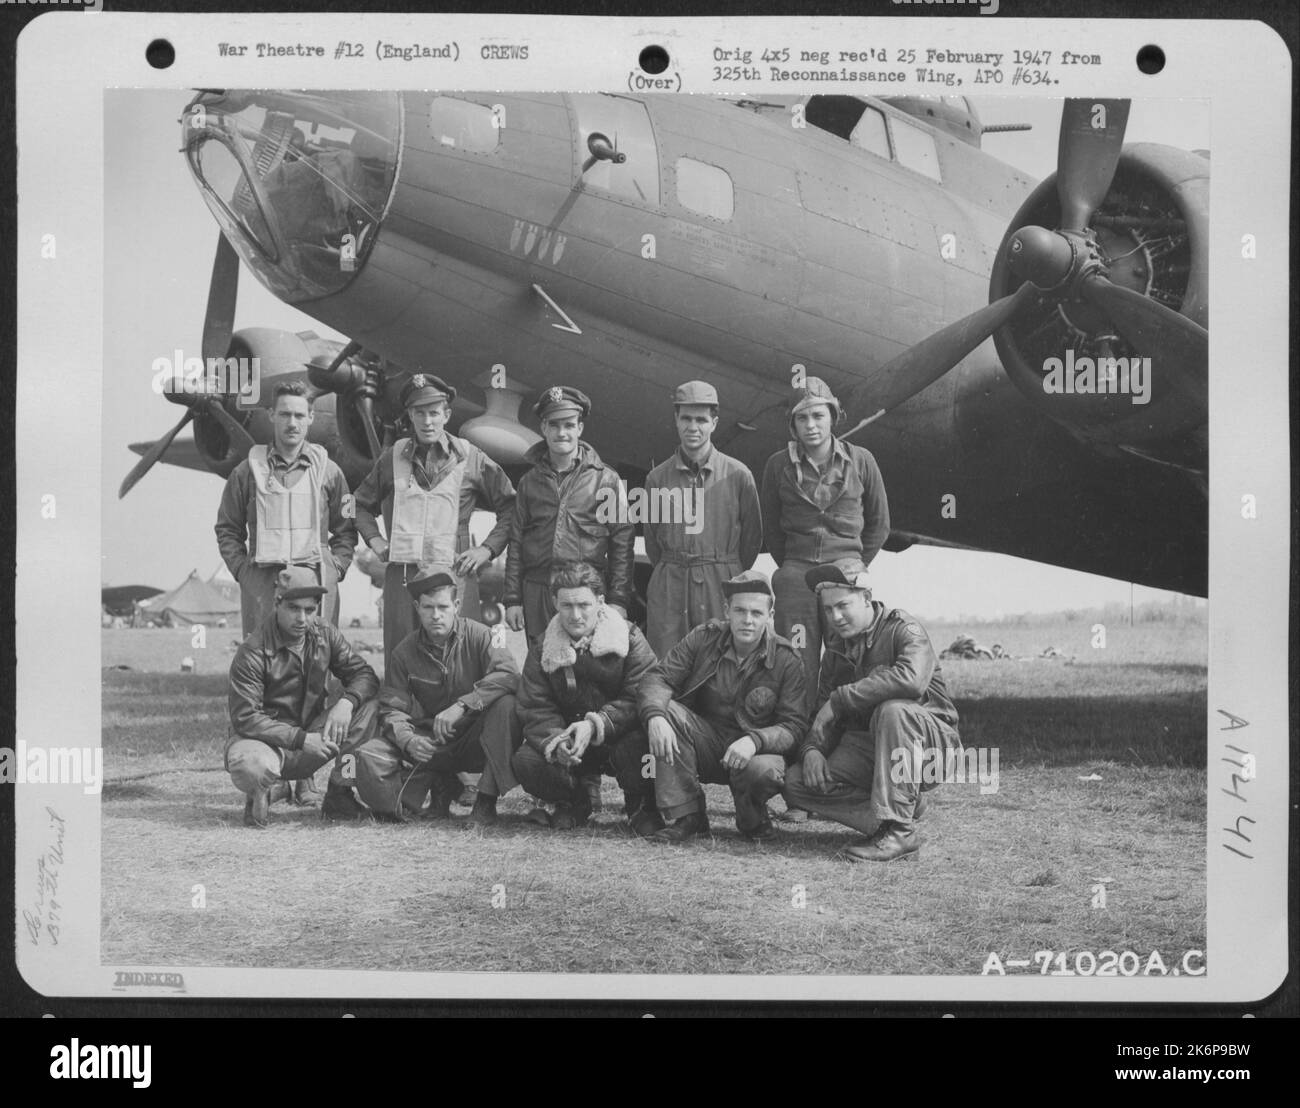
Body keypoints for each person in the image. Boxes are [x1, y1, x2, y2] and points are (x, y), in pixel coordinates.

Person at [783, 558, 960, 862]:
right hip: (875, 749)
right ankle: (898, 810)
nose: (835, 616)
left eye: (843, 605)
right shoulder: (837, 650)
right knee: (796, 782)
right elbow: (822, 714)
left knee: (894, 711)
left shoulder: (904, 628)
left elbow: (912, 681)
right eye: (828, 610)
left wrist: (842, 698)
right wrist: (812, 750)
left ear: (866, 597)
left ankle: (900, 831)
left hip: (931, 749)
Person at [353, 372, 516, 664]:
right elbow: (358, 506)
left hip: (457, 577)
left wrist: (487, 549)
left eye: (433, 413)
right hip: (402, 578)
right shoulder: (391, 459)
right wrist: (376, 542)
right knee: (401, 658)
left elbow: (511, 507)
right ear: (410, 415)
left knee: (460, 659)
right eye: (419, 413)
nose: (427, 421)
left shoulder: (472, 458)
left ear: (446, 414)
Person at [637, 570, 807, 843]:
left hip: (755, 753)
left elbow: (794, 726)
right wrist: (655, 716)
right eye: (740, 611)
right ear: (727, 610)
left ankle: (752, 817)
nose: (748, 620)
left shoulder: (787, 659)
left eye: (756, 613)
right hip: (707, 743)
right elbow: (658, 678)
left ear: (770, 616)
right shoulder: (704, 638)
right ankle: (689, 816)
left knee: (762, 771)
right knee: (666, 710)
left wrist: (754, 740)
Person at [759, 377, 890, 709]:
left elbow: (880, 523)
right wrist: (792, 567)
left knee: (846, 656)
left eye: (818, 415)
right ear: (793, 424)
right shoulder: (777, 465)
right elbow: (771, 527)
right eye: (802, 418)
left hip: (845, 572)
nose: (811, 425)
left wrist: (855, 566)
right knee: (794, 658)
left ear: (833, 416)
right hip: (796, 575)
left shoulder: (862, 461)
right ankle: (795, 732)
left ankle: (843, 734)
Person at [354, 567, 522, 825]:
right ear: (416, 607)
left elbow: (510, 674)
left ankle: (486, 802)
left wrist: (463, 705)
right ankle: (431, 791)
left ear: (456, 605)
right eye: (428, 607)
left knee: (507, 705)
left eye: (443, 607)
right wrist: (408, 740)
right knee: (368, 754)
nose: (436, 616)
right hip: (431, 743)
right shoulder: (403, 653)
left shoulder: (488, 635)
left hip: (476, 739)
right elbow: (391, 708)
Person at [512, 562, 660, 834]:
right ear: (555, 603)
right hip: (573, 745)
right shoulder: (543, 647)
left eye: (584, 605)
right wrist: (557, 741)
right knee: (527, 761)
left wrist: (596, 724)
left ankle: (640, 805)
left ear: (600, 602)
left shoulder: (629, 638)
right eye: (567, 606)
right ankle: (573, 800)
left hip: (621, 737)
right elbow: (534, 705)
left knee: (646, 742)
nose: (575, 615)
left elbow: (642, 692)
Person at [225, 567, 379, 829]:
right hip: (269, 744)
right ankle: (262, 790)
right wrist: (301, 739)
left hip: (316, 737)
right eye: (294, 608)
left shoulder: (325, 634)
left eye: (309, 610)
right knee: (251, 765)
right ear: (277, 604)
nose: (302, 618)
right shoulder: (252, 650)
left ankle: (342, 789)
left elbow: (364, 675)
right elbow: (246, 718)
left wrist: (347, 701)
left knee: (369, 709)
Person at [215, 380, 357, 637]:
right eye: (285, 414)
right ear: (271, 415)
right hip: (263, 583)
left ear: (311, 417)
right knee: (262, 661)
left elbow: (347, 526)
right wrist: (242, 571)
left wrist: (337, 568)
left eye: (299, 415)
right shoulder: (246, 471)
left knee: (316, 659)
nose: (292, 423)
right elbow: (227, 528)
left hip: (316, 580)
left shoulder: (331, 472)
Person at [504, 386, 634, 646]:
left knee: (587, 669)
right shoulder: (529, 482)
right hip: (538, 592)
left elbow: (622, 543)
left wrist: (618, 600)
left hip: (584, 595)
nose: (561, 433)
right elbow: (516, 541)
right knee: (541, 667)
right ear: (543, 428)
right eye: (554, 425)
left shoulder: (606, 479)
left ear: (580, 429)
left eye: (569, 425)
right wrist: (512, 599)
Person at [642, 381, 762, 659]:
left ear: (714, 423)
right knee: (667, 663)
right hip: (671, 582)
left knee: (721, 664)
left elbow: (752, 539)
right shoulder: (657, 479)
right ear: (676, 419)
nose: (693, 427)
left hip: (720, 581)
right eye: (686, 418)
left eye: (701, 420)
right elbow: (652, 542)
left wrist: (724, 567)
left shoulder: (738, 475)